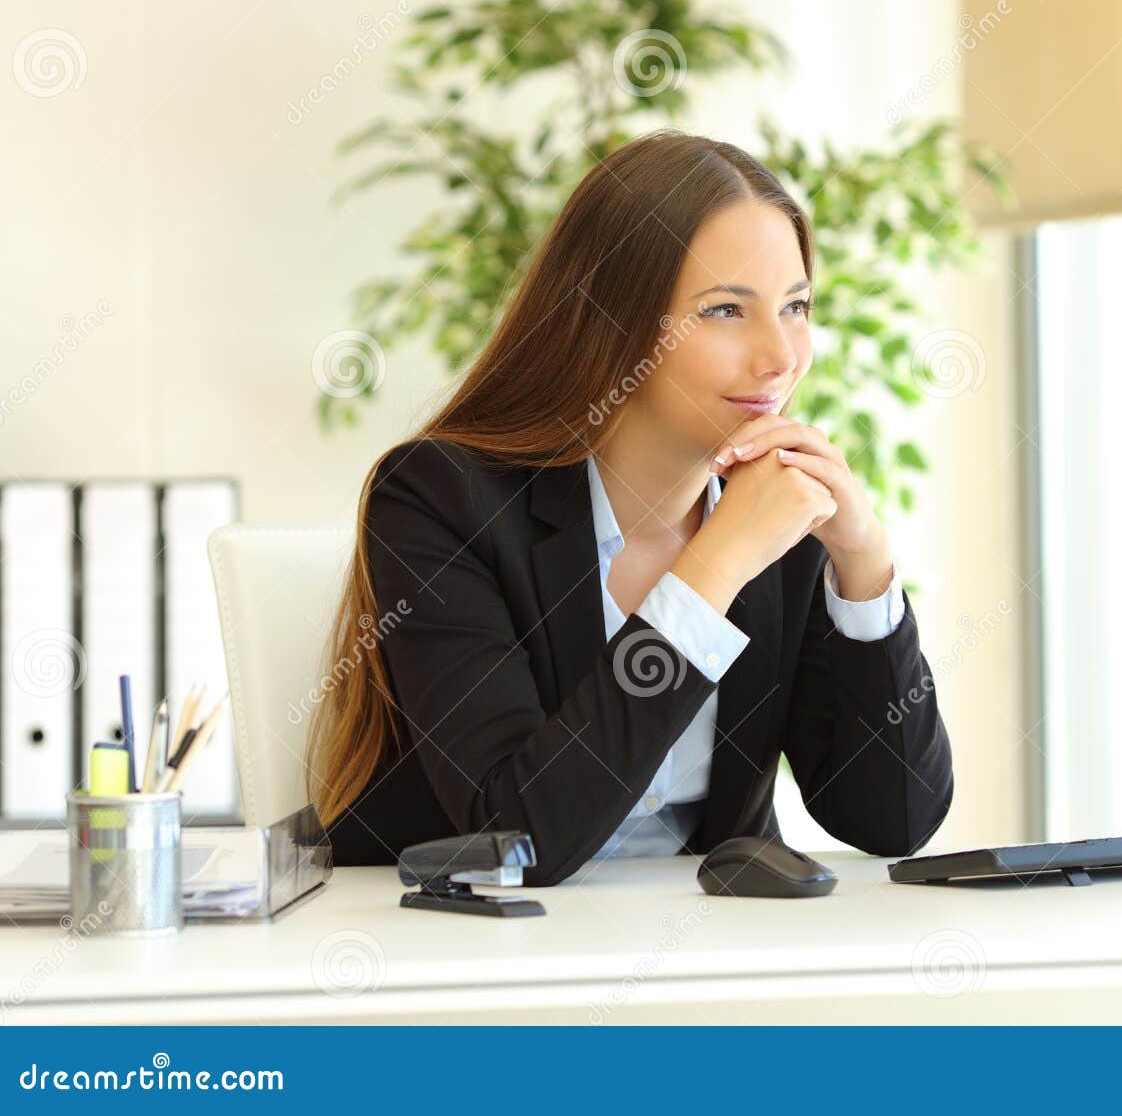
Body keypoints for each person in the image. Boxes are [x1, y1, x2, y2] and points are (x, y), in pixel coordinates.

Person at [307, 130, 954, 885]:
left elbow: (893, 819)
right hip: (467, 958)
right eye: (724, 311)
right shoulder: (439, 498)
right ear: (614, 321)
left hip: (692, 960)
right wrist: (715, 566)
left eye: (796, 305)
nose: (780, 356)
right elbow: (518, 839)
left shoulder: (779, 515)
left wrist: (864, 566)